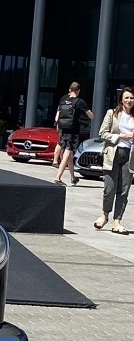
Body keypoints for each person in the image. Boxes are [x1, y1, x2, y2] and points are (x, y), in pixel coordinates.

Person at [94, 88, 134, 233]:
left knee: (123, 191)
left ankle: (117, 221)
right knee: (109, 189)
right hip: (113, 153)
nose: (129, 101)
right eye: (127, 98)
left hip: (129, 155)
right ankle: (104, 215)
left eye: (132, 98)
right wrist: (121, 136)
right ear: (121, 99)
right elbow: (102, 133)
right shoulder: (112, 113)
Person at [54, 81, 93, 186]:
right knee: (67, 153)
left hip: (63, 129)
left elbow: (57, 115)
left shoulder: (63, 99)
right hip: (73, 131)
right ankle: (58, 177)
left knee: (70, 155)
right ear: (78, 91)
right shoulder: (79, 102)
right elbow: (91, 115)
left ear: (69, 89)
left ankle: (73, 178)